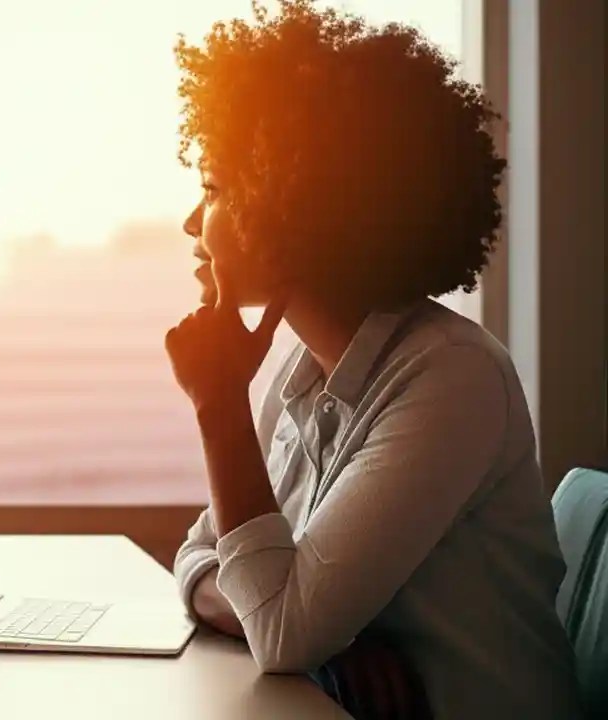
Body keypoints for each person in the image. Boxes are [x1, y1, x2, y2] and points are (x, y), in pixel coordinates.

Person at [166, 2, 582, 717]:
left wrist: (217, 404)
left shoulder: (451, 378)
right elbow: (200, 562)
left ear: (289, 201)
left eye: (213, 188)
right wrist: (317, 631)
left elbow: (281, 626)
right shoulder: (301, 378)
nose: (191, 222)